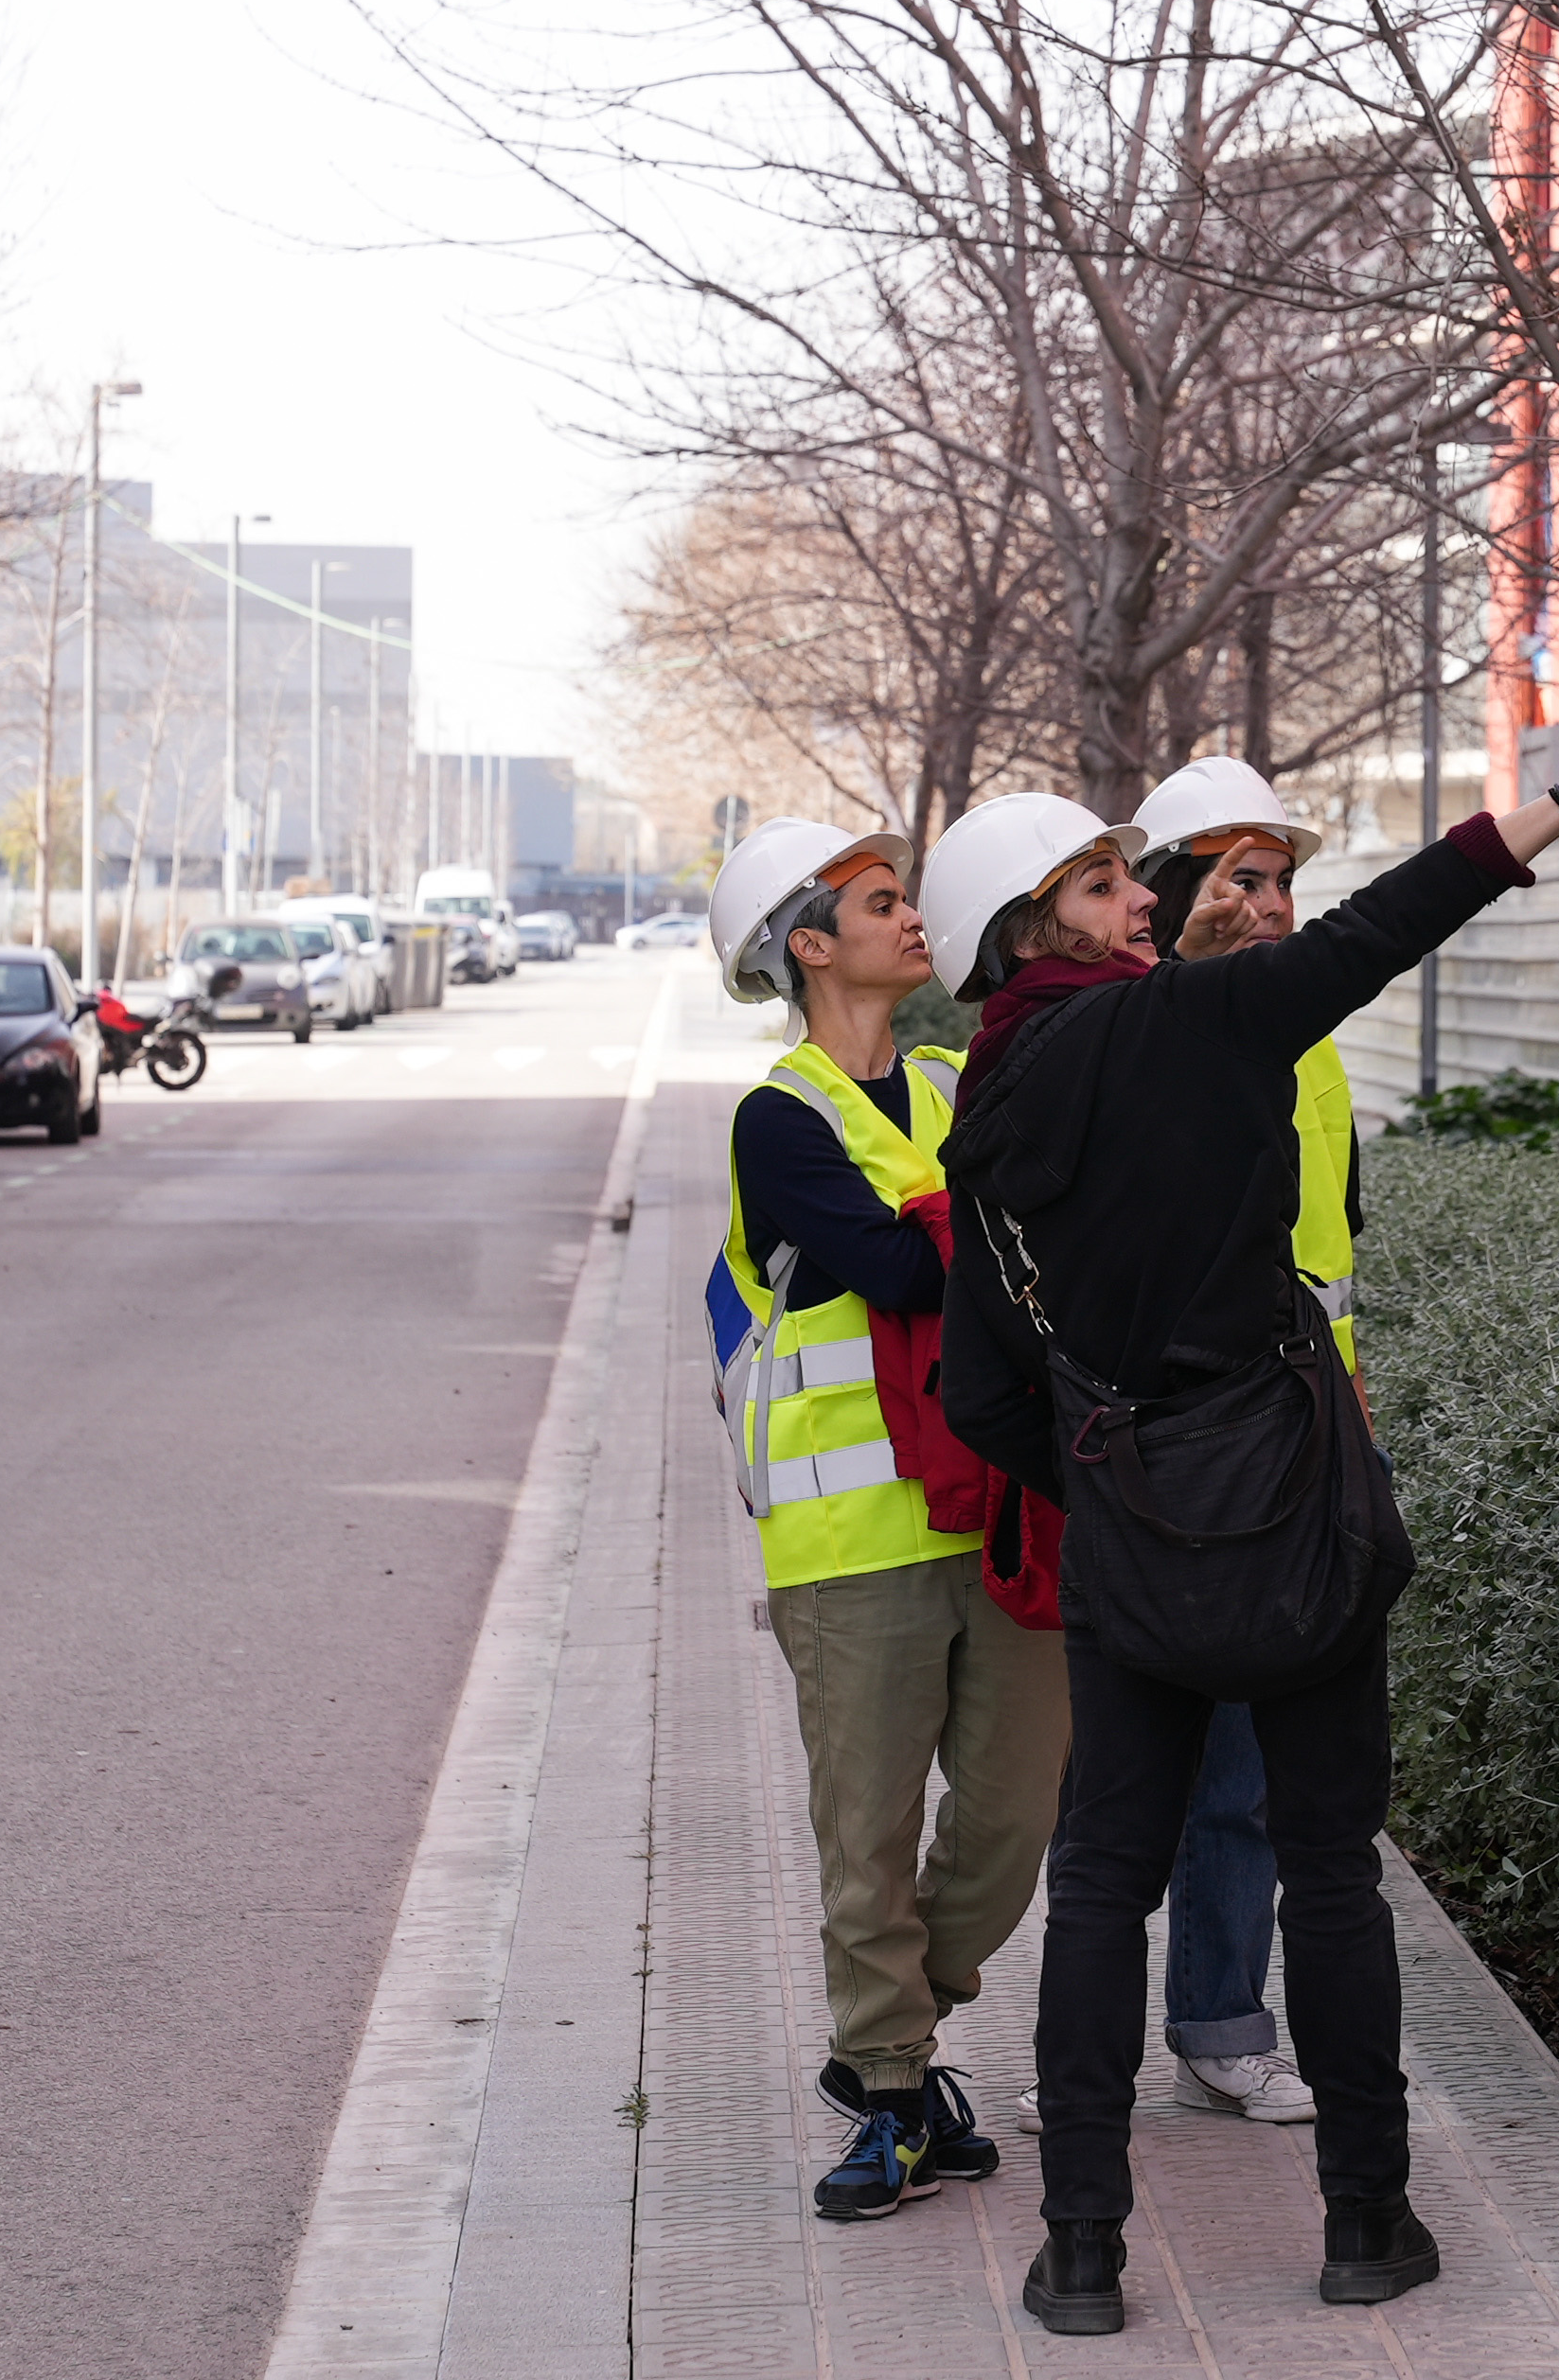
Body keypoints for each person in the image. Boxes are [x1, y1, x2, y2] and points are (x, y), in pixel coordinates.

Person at [927, 678, 1559, 2335]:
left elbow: (983, 1392)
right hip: (1288, 1508)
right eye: (1102, 885)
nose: (1145, 897)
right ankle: (1367, 2224)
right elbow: (1383, 929)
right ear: (1025, 931)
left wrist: (1123, 1469)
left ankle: (1081, 2255)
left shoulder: (982, 1118)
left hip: (1129, 1535)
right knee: (1329, 1869)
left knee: (1099, 1885)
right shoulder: (1184, 1025)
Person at [704, 818, 1071, 2225]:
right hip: (852, 1541)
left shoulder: (949, 1076)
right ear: (812, 945)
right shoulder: (777, 1118)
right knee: (865, 1838)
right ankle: (897, 2088)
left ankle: (892, 2051)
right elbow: (906, 1271)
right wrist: (993, 1225)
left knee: (1016, 1813)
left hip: (1000, 1514)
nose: (914, 918)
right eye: (878, 903)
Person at [1001, 760, 1352, 2142]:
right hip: (1147, 1453)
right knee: (1125, 1791)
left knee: (1247, 1775)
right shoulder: (1118, 1040)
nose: (1267, 907)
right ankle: (1077, 2063)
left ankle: (1221, 2025)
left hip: (1283, 1440)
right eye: (1239, 879)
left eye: (1281, 882)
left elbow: (1322, 1255)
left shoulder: (1297, 1034)